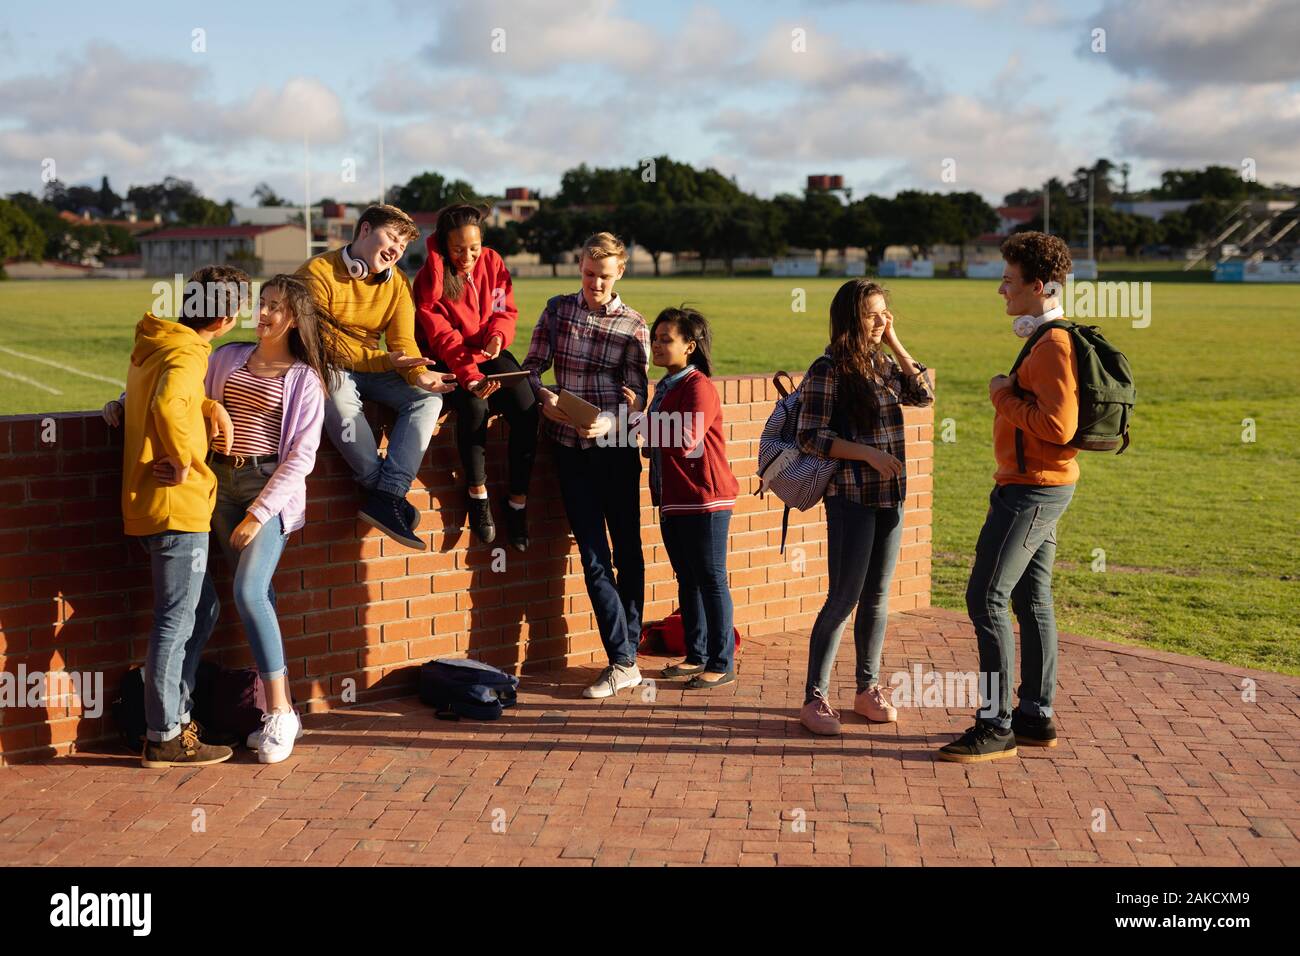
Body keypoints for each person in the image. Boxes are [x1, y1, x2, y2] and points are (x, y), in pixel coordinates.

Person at [938, 231, 1079, 763]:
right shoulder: (1046, 339)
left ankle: (995, 725)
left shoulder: (1054, 344)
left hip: (1031, 491)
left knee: (986, 597)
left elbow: (1057, 426)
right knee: (1029, 598)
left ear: (1038, 287)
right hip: (1041, 485)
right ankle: (1035, 716)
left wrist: (1000, 392)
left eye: (1008, 281)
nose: (1001, 290)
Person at [114, 265, 246, 768]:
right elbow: (169, 406)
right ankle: (163, 733)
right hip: (178, 506)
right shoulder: (189, 353)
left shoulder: (161, 343)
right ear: (227, 316)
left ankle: (173, 715)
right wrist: (188, 461)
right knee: (174, 620)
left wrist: (213, 407)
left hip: (150, 503)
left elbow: (169, 399)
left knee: (202, 608)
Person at [796, 279, 934, 736]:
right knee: (844, 598)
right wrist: (867, 454)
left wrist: (895, 342)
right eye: (873, 315)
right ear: (850, 317)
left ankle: (866, 690)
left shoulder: (881, 362)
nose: (881, 322)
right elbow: (809, 436)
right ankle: (814, 698)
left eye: (884, 314)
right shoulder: (828, 368)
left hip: (889, 497)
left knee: (877, 599)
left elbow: (923, 395)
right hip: (851, 498)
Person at [521, 232, 650, 699]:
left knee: (627, 553)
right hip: (566, 447)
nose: (595, 282)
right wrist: (544, 397)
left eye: (604, 275)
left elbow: (639, 399)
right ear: (580, 266)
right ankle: (622, 659)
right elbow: (531, 366)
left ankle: (627, 654)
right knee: (594, 557)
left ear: (620, 274)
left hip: (614, 450)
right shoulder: (557, 310)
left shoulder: (634, 326)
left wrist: (609, 423)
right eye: (589, 273)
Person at [295, 203, 457, 551]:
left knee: (428, 398)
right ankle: (385, 495)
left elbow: (402, 342)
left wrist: (418, 374)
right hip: (330, 365)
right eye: (392, 237)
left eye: (403, 246)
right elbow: (324, 345)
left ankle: (388, 493)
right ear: (365, 231)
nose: (397, 250)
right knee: (333, 388)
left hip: (373, 365)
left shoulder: (397, 282)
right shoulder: (317, 272)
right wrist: (385, 360)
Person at [413, 203, 538, 550]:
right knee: (475, 408)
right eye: (458, 249)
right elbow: (444, 340)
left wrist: (498, 335)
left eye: (474, 247)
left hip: (487, 351)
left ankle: (517, 502)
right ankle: (478, 494)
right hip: (448, 359)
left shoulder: (493, 262)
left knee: (527, 408)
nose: (468, 256)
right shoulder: (428, 282)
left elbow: (503, 309)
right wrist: (470, 379)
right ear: (442, 245)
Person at [644, 307, 740, 689]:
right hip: (672, 498)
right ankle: (696, 655)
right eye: (655, 338)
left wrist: (634, 421)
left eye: (667, 339)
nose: (657, 345)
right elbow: (652, 447)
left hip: (706, 499)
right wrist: (640, 414)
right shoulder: (664, 388)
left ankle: (722, 661)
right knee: (688, 578)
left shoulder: (698, 385)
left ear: (690, 346)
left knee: (712, 578)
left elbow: (685, 438)